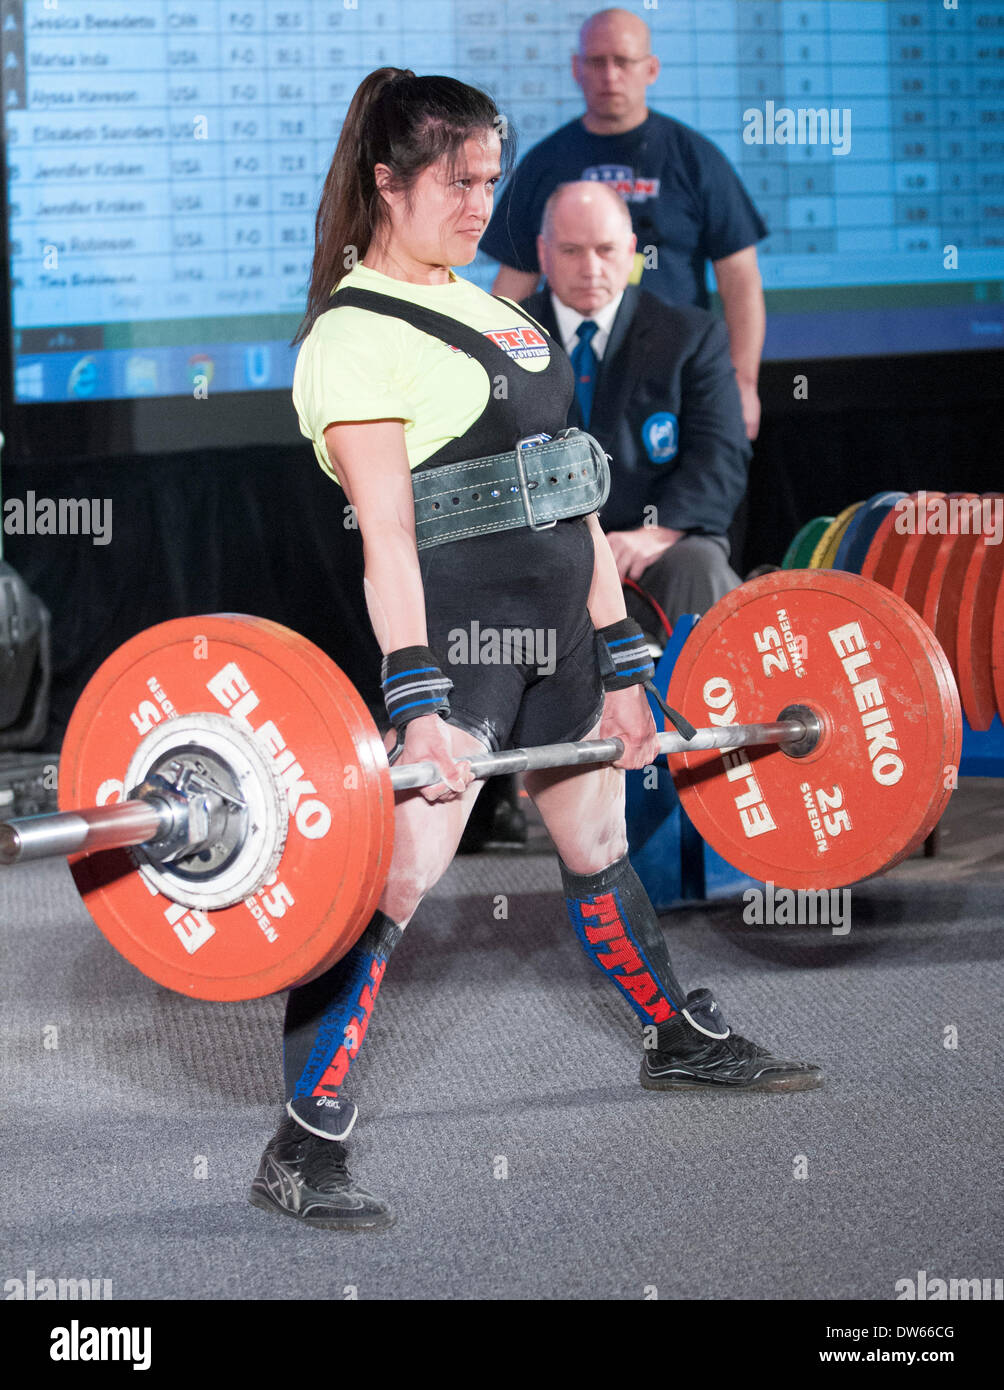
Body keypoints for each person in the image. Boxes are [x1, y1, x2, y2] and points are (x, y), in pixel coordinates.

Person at [251, 68, 821, 1234]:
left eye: (491, 179)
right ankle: (301, 1140)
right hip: (456, 641)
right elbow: (389, 538)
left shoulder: (495, 309)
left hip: (564, 627)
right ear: (386, 183)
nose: (481, 202)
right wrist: (415, 706)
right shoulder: (351, 337)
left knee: (598, 835)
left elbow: (570, 496)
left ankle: (674, 1038)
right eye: (458, 181)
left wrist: (619, 667)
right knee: (395, 878)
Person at [479, 7, 767, 440]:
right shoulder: (545, 163)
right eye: (596, 62)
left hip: (679, 381)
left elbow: (741, 282)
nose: (610, 76)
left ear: (650, 69)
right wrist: (495, 393)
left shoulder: (696, 159)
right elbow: (511, 291)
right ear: (577, 70)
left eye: (624, 62)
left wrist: (742, 383)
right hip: (570, 388)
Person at [522, 180, 750, 638]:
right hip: (542, 550)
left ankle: (711, 707)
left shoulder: (690, 337)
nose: (590, 268)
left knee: (699, 563)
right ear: (543, 254)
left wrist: (659, 532)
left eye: (605, 250)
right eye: (570, 251)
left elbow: (720, 456)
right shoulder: (504, 338)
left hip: (655, 548)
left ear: (630, 252)